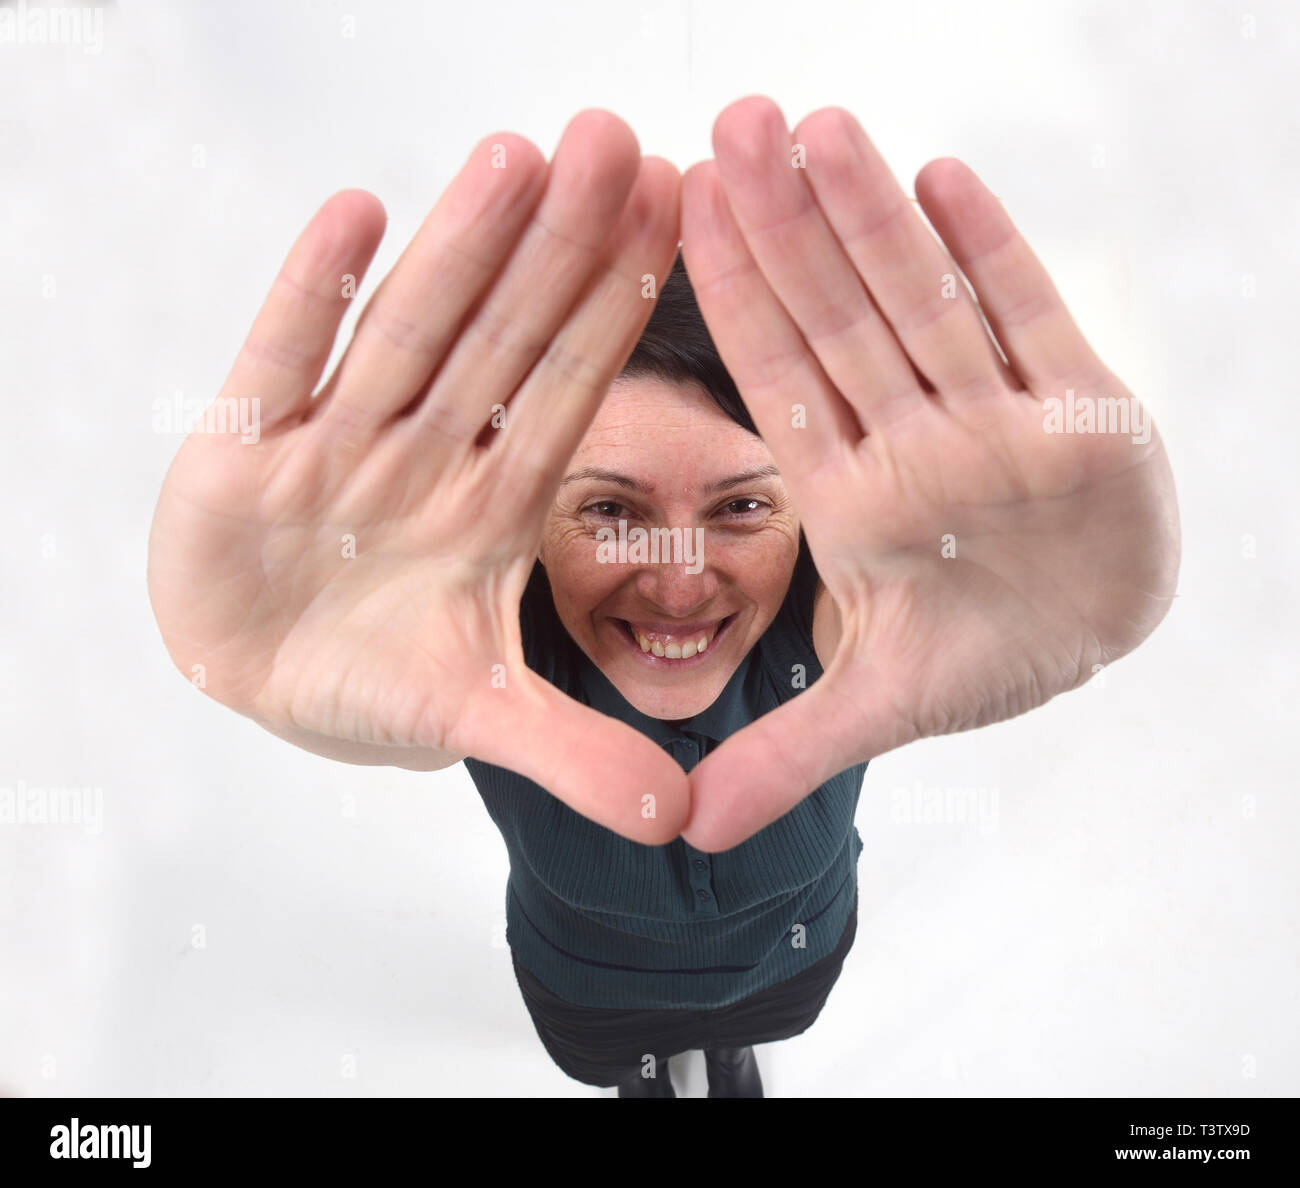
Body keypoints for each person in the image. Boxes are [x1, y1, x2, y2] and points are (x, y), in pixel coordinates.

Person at [145, 96, 1181, 1097]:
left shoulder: (858, 615)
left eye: (739, 509)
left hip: (792, 961)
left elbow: (921, 601)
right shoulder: (485, 639)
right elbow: (396, 714)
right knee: (617, 1067)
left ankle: (731, 1061)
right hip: (587, 995)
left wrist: (1056, 604)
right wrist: (258, 666)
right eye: (607, 511)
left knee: (751, 1038)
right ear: (521, 521)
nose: (681, 584)